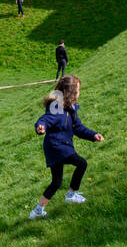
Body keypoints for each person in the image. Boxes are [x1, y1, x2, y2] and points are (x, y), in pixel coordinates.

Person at [29, 75, 103, 219]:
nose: (79, 93)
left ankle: (37, 211)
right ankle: (71, 194)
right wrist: (40, 126)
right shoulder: (57, 107)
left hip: (57, 146)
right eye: (78, 90)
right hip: (57, 145)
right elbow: (46, 119)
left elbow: (78, 128)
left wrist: (93, 135)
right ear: (71, 92)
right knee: (81, 163)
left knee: (56, 182)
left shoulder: (71, 110)